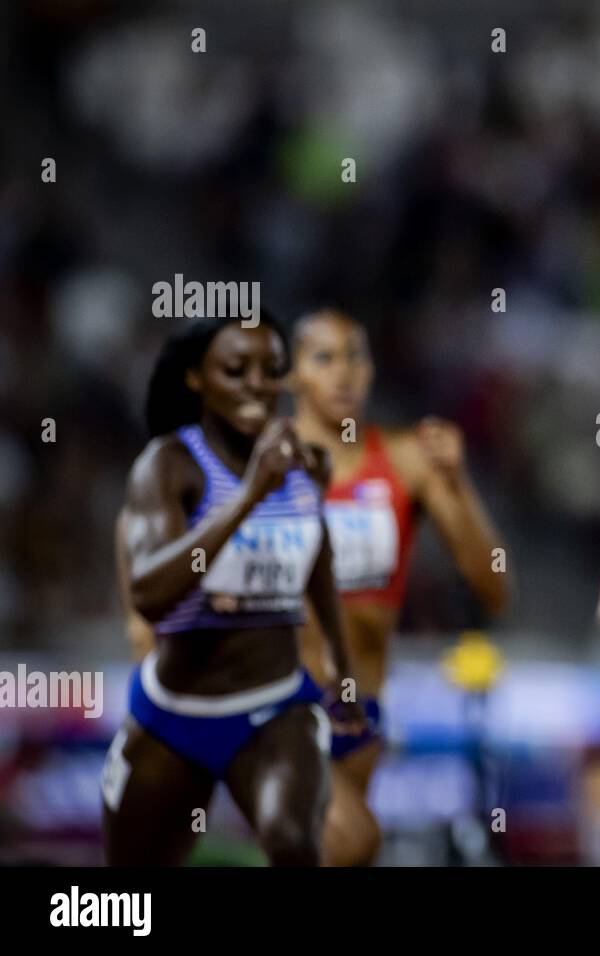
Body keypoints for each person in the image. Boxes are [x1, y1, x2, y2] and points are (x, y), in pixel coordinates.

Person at [104, 314, 363, 866]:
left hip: (272, 709)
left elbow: (317, 560)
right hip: (173, 714)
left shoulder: (299, 462)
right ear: (197, 379)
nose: (256, 384)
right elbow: (151, 593)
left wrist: (341, 666)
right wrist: (249, 496)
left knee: (292, 844)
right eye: (235, 369)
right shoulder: (169, 465)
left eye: (271, 370)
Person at [290, 308, 509, 866]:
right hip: (272, 707)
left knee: (341, 849)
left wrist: (459, 486)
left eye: (355, 357)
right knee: (349, 836)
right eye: (324, 358)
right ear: (291, 374)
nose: (343, 373)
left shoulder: (408, 463)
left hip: (359, 712)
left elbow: (495, 586)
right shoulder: (257, 465)